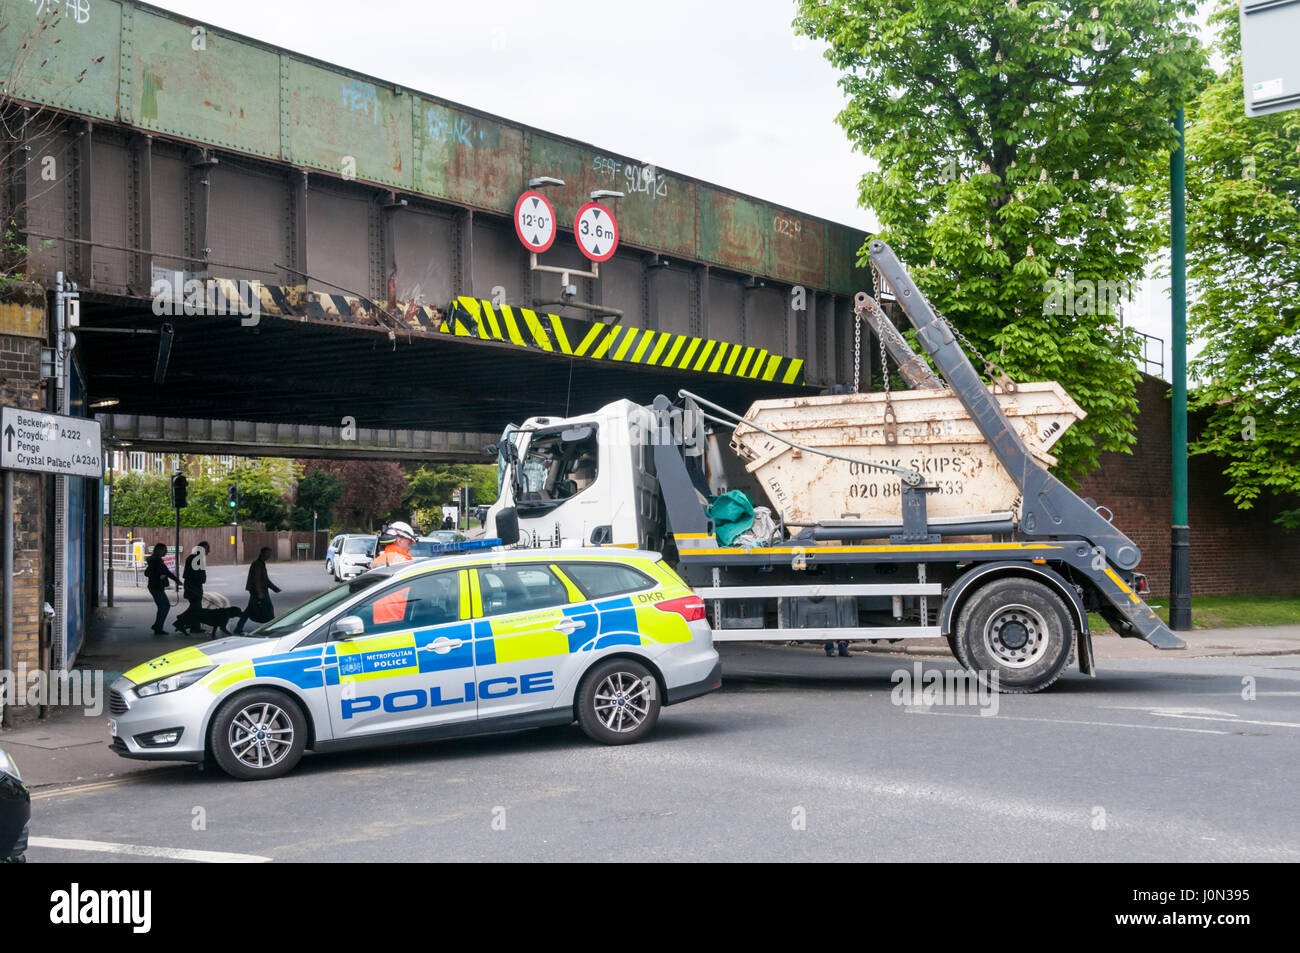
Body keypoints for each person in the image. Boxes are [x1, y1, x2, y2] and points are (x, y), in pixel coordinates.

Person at [234, 546, 281, 634]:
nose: (269, 556)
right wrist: (259, 592)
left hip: (258, 590)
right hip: (258, 591)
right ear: (262, 553)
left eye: (270, 554)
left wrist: (275, 588)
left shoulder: (261, 563)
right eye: (267, 553)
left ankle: (238, 628)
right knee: (268, 608)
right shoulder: (257, 564)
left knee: (249, 610)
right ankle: (273, 626)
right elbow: (256, 580)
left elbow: (265, 579)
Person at [174, 541, 210, 635]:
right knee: (196, 608)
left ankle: (194, 626)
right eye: (207, 549)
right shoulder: (197, 559)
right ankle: (181, 621)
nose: (208, 551)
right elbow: (197, 574)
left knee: (195, 608)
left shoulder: (194, 558)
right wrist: (202, 580)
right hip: (194, 587)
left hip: (193, 586)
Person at [143, 543, 180, 635]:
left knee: (163, 606)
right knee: (165, 606)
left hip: (155, 586)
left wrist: (176, 580)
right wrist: (159, 576)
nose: (166, 552)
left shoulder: (155, 560)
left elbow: (147, 573)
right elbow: (164, 572)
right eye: (165, 550)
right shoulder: (156, 561)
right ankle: (158, 626)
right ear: (160, 550)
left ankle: (158, 626)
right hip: (156, 586)